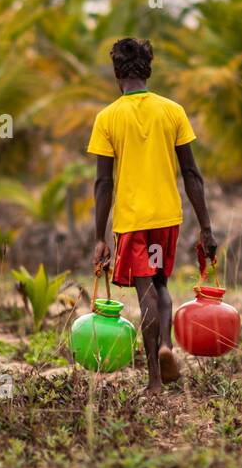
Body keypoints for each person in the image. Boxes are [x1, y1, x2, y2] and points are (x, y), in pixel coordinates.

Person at [88, 37, 217, 393]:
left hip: (131, 220)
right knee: (161, 286)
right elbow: (192, 174)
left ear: (117, 73)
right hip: (167, 216)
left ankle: (155, 381)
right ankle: (166, 346)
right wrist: (206, 228)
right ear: (148, 69)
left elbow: (103, 183)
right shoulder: (172, 110)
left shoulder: (107, 117)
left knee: (144, 289)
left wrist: (100, 237)